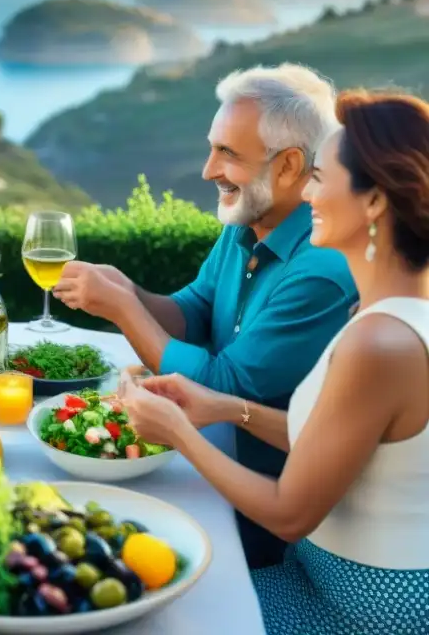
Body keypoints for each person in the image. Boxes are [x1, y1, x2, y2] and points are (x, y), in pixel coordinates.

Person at [120, 90, 429, 635]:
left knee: (152, 613)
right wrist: (222, 408)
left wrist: (180, 432)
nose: (306, 193)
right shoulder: (385, 313)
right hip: (313, 572)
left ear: (375, 202)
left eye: (321, 177)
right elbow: (338, 442)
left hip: (357, 608)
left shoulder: (379, 342)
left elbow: (291, 512)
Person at [52, 63, 358, 569]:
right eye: (212, 147)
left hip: (266, 515)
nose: (208, 169)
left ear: (287, 166)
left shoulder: (320, 268)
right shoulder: (248, 223)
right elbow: (192, 311)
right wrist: (125, 288)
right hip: (213, 459)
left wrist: (125, 309)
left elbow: (227, 385)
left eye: (228, 154)